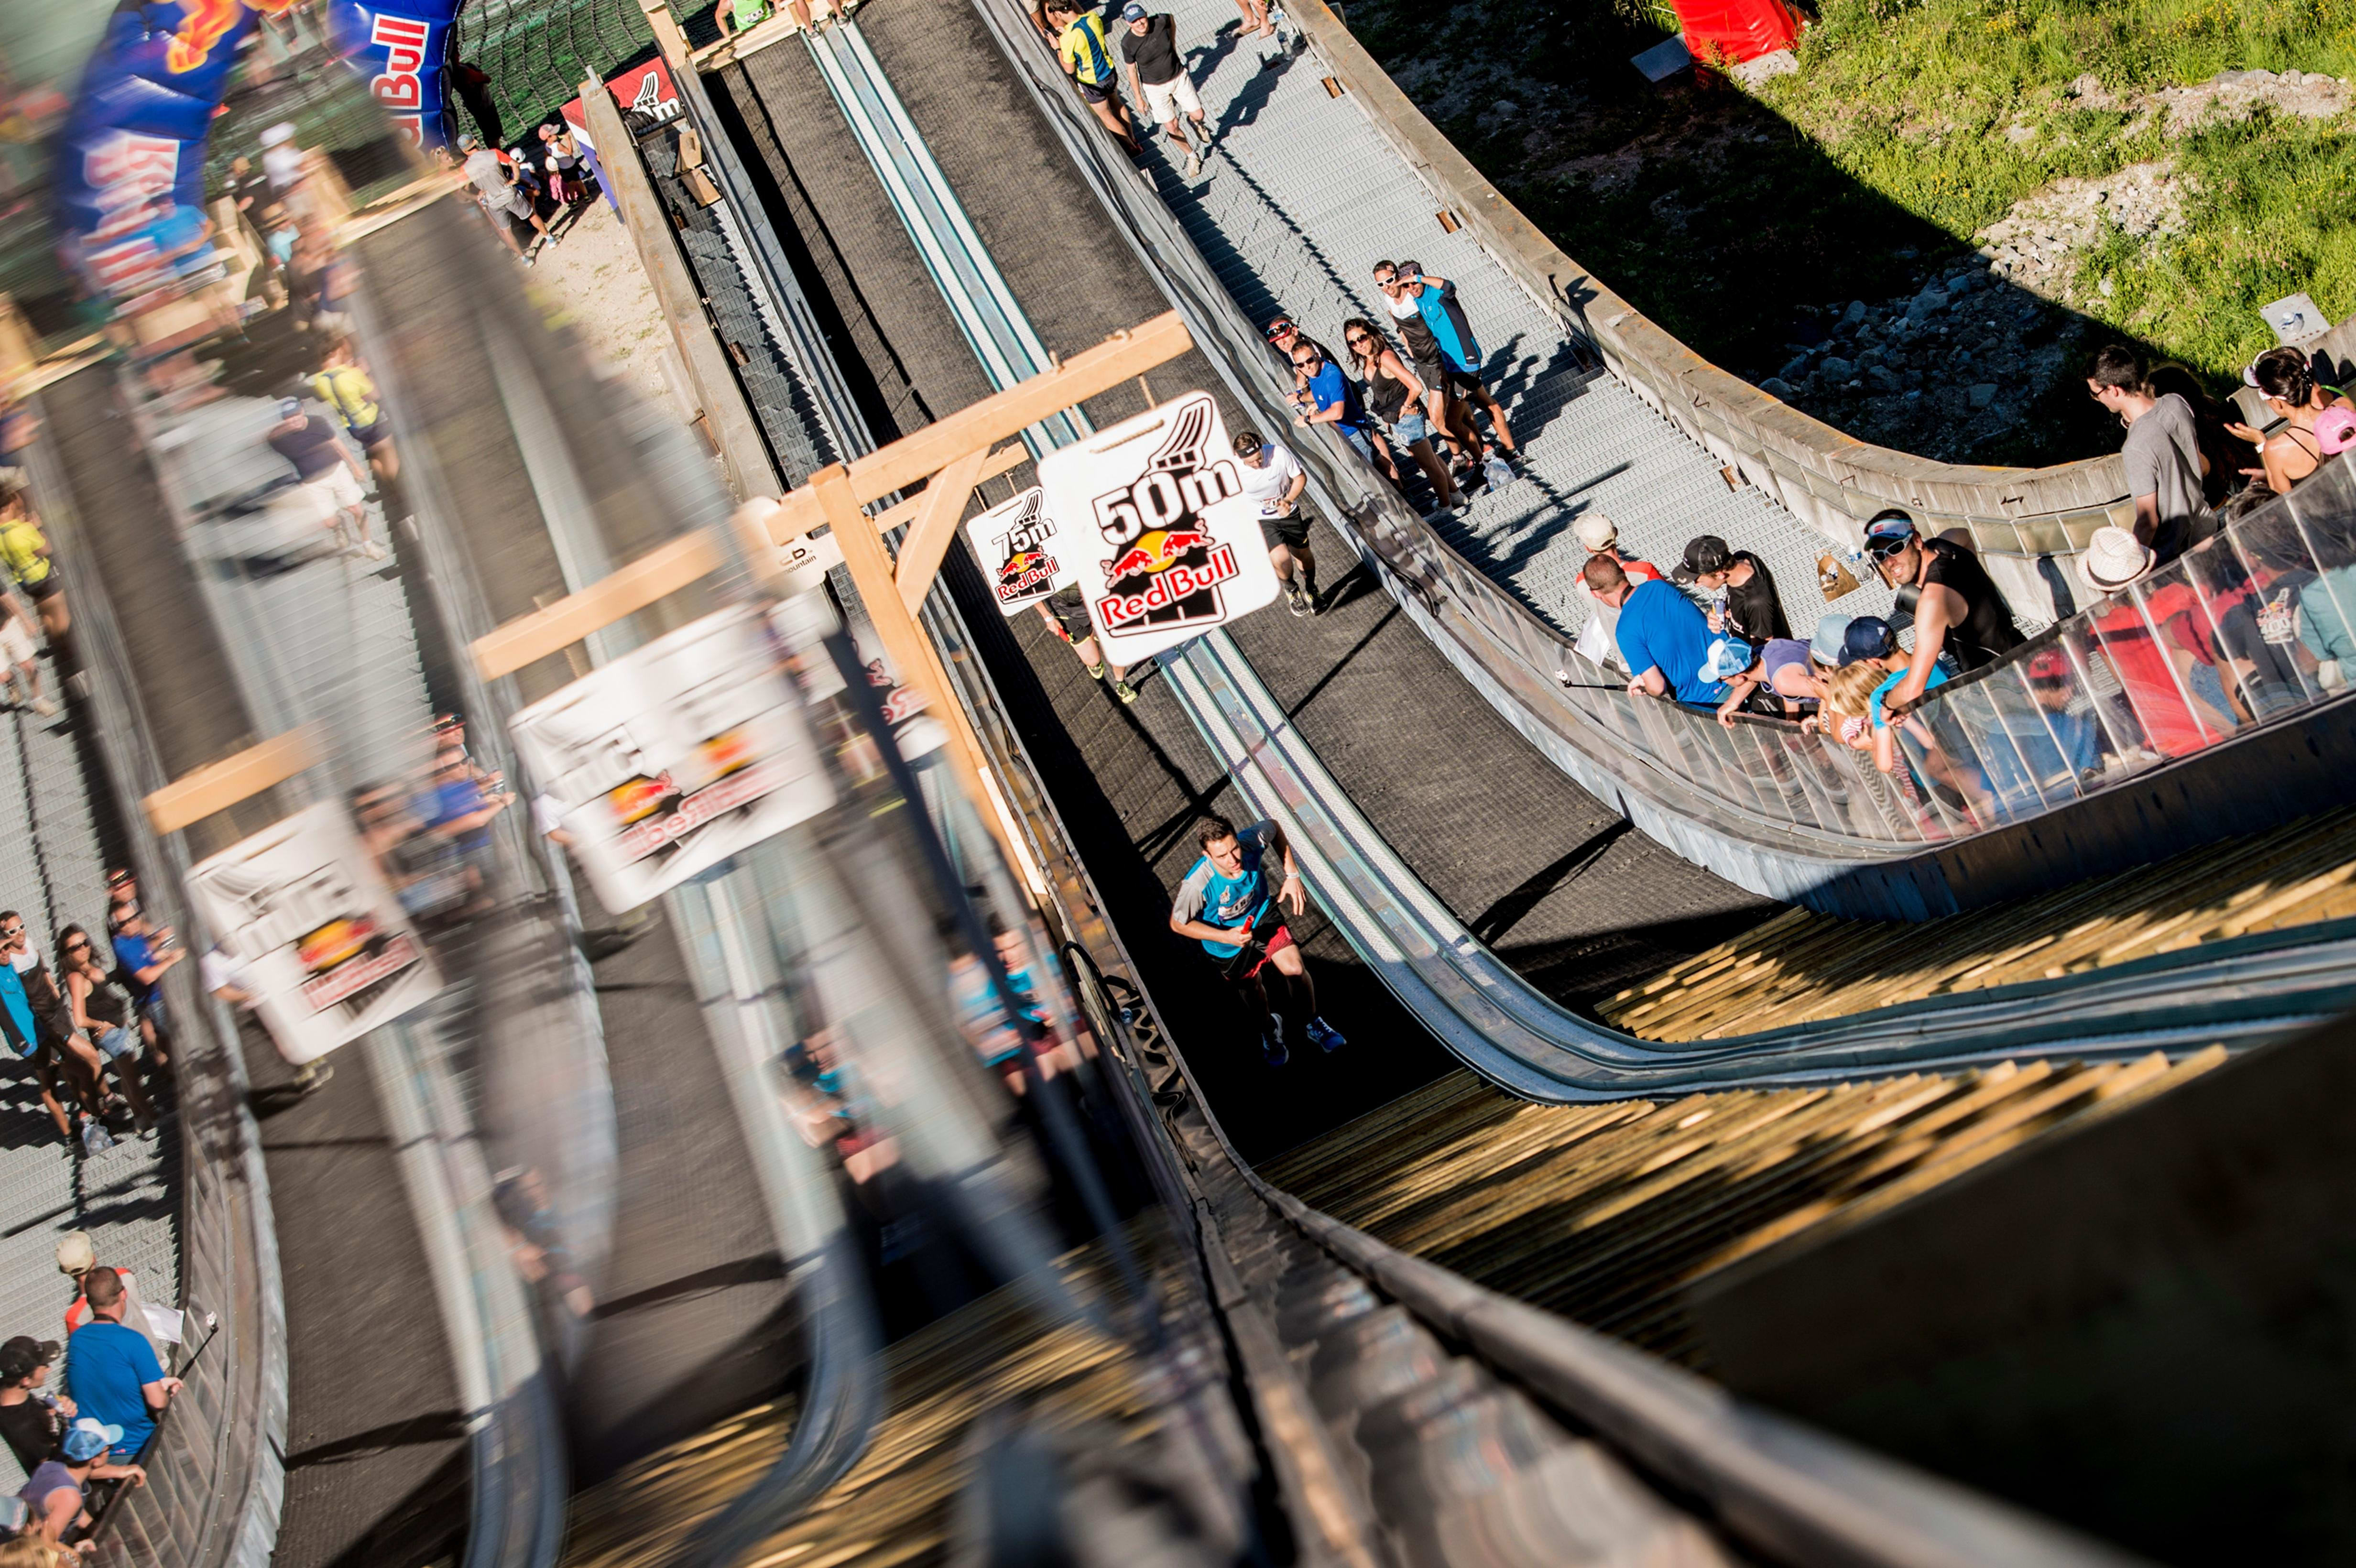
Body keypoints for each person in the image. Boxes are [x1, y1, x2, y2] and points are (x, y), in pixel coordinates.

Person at [1169, 816, 1343, 1065]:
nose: (1234, 860)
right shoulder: (1197, 884)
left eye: (1234, 849)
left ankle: (1312, 1023)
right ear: (1207, 856)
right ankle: (1270, 1031)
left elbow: (1274, 826)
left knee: (1294, 969)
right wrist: (1226, 935)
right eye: (1222, 856)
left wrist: (1292, 875)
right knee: (1252, 990)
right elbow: (1178, 923)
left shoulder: (1250, 843)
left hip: (1262, 917)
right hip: (1227, 943)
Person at [1860, 510, 2021, 717]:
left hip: (2004, 695)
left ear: (1917, 541)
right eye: (1880, 555)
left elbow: (1913, 688)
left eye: (1896, 548)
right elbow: (1963, 533)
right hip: (2021, 655)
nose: (1890, 562)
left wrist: (1887, 702)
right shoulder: (1945, 547)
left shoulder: (1933, 600)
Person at [2087, 344, 2209, 562]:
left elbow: (2148, 521)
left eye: (2095, 394)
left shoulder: (2135, 447)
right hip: (2205, 525)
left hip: (2176, 551)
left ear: (2113, 390)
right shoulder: (2176, 403)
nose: (2097, 400)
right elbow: (2198, 463)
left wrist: (2133, 564)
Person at [8, 916, 121, 1150]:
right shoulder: (8, 963)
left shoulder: (27, 944)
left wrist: (57, 995)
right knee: (87, 1058)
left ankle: (90, 1115)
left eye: (21, 926)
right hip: (41, 1023)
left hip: (55, 1012)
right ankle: (99, 1105)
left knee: (68, 1072)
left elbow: (45, 972)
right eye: (11, 932)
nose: (19, 933)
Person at [1395, 261, 1516, 458]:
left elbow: (1449, 285)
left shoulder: (1439, 295)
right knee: (1487, 403)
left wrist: (1417, 278)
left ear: (1419, 277)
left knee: (1451, 422)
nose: (1411, 288)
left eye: (1412, 283)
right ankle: (1511, 449)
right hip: (1452, 364)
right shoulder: (1419, 301)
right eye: (1406, 285)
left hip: (1466, 361)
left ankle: (1484, 458)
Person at [1342, 316, 1460, 512]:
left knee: (1427, 465)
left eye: (1361, 338)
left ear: (1371, 335)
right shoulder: (1370, 359)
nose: (1358, 345)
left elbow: (1415, 386)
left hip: (1408, 418)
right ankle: (1455, 495)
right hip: (1397, 418)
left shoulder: (1386, 358)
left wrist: (1405, 407)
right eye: (1352, 342)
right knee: (1430, 458)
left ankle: (1445, 505)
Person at [64, 1270, 176, 1464]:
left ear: (90, 1302)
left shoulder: (77, 1340)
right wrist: (167, 1390)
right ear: (123, 1294)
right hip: (136, 1448)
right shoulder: (134, 1341)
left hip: (94, 1452)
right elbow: (158, 1402)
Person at [1585, 555, 1726, 707]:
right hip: (1737, 666)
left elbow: (1658, 687)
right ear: (1622, 572)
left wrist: (1645, 685)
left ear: (1595, 594)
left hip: (1707, 700)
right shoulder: (1660, 587)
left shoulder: (1625, 632)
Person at [1371, 261, 1474, 464]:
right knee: (1457, 408)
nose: (1387, 287)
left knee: (1437, 417)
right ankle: (1478, 447)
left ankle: (1463, 457)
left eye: (1390, 281)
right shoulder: (1389, 299)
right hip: (1422, 362)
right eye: (1381, 285)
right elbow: (1394, 317)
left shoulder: (1413, 296)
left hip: (1437, 359)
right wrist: (1404, 338)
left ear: (1398, 277)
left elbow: (1439, 308)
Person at [59, 926, 154, 1132]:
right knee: (132, 1078)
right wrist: (102, 1025)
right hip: (110, 1034)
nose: (84, 949)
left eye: (85, 942)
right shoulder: (76, 977)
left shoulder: (88, 968)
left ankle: (140, 1118)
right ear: (67, 954)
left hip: (117, 1029)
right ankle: (153, 1116)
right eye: (76, 947)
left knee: (128, 1077)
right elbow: (80, 1019)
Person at [2226, 346, 2356, 494]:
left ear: (2276, 402)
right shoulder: (2343, 407)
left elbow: (2282, 499)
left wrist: (2262, 443)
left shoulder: (2276, 449)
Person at [265, 398, 380, 561]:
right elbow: (270, 440)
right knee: (329, 522)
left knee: (357, 510)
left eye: (297, 414)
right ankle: (338, 526)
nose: (295, 419)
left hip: (338, 472)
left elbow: (337, 443)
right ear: (285, 420)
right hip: (314, 483)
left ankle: (368, 544)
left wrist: (355, 466)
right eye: (290, 417)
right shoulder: (279, 440)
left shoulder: (318, 423)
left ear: (303, 411)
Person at [1231, 428, 1319, 616]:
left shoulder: (1279, 454)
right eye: (1251, 462)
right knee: (1281, 558)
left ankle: (1311, 589)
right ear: (1239, 458)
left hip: (1288, 513)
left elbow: (1300, 477)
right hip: (1262, 518)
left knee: (1302, 555)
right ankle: (1292, 589)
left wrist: (1289, 500)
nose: (1257, 464)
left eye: (1259, 458)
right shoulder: (1232, 470)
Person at [19, 1418, 142, 1552]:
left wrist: (123, 1471)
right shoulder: (70, 1498)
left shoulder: (51, 1466)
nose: (111, 1451)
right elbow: (44, 1546)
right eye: (109, 1448)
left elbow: (87, 1472)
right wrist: (74, 1556)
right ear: (96, 1459)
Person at [1119, 4, 1209, 178]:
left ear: (1146, 15)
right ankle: (1192, 156)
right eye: (1134, 21)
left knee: (1198, 114)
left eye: (1141, 18)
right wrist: (1139, 98)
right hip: (1154, 88)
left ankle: (1196, 123)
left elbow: (1171, 20)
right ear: (1129, 24)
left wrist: (1173, 44)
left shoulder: (1161, 21)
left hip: (1178, 77)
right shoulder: (1128, 43)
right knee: (1171, 126)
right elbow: (1131, 71)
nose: (1140, 23)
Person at [1046, 0, 1141, 157]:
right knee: (1117, 103)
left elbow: (1069, 68)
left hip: (1092, 81)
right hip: (1109, 71)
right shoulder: (1093, 18)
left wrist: (1058, 49)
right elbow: (1084, 33)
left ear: (1057, 13)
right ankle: (1133, 138)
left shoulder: (1067, 39)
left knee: (1106, 116)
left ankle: (1132, 148)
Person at [1568, 514, 1662, 670]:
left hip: (1630, 662)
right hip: (1662, 653)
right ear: (1616, 533)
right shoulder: (1645, 571)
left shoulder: (1583, 582)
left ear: (1588, 548)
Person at [308, 336, 398, 488]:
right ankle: (393, 485)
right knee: (390, 455)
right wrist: (364, 373)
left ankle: (386, 485)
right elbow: (375, 395)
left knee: (375, 456)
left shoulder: (319, 381)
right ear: (337, 352)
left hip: (353, 428)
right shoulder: (351, 375)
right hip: (372, 420)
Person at [1034, 585, 1141, 701]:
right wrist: (1048, 617)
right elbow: (1028, 588)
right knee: (1092, 660)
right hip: (1067, 612)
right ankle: (1095, 659)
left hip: (1097, 601)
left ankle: (1121, 683)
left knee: (1114, 647)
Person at [1675, 534, 1789, 643]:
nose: (1697, 584)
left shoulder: (1757, 603)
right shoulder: (1743, 558)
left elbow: (1764, 653)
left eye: (1697, 579)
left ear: (1720, 574)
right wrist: (1724, 610)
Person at [100, 908, 177, 1070]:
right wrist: (171, 959)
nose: (130, 924)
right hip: (154, 1000)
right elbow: (146, 977)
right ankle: (171, 1070)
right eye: (123, 923)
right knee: (177, 1039)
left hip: (160, 995)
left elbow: (144, 954)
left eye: (133, 919)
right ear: (116, 926)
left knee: (168, 1039)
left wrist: (157, 948)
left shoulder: (137, 936)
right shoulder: (122, 944)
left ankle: (167, 1069)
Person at [1289, 338, 1381, 468]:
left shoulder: (1332, 376)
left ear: (1316, 356)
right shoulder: (1314, 373)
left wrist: (1309, 420)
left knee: (1368, 474)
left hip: (1354, 433)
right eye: (1301, 365)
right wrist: (1302, 398)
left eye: (1309, 361)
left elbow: (1338, 412)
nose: (1307, 367)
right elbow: (1318, 392)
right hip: (1340, 432)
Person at [0, 481, 67, 656]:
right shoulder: (23, 530)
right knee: (62, 619)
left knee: (46, 616)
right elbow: (46, 549)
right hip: (44, 575)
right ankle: (65, 650)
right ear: (10, 505)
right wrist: (38, 529)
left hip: (27, 584)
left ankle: (55, 648)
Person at [458, 133, 549, 261]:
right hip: (508, 193)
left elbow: (460, 190)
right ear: (476, 142)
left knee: (506, 231)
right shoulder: (493, 153)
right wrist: (515, 180)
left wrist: (476, 197)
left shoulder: (465, 169)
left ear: (464, 151)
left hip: (493, 202)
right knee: (531, 215)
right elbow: (515, 164)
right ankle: (550, 239)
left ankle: (525, 259)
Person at [0, 1339, 69, 1477]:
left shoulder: (6, 1389)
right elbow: (54, 1470)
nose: (49, 1369)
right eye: (43, 1365)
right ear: (26, 1380)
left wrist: (55, 1410)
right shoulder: (23, 1428)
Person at [0, 590, 54, 717]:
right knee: (3, 677)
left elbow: (7, 597)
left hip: (9, 626)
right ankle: (11, 682)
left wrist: (26, 621)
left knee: (29, 666)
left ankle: (38, 700)